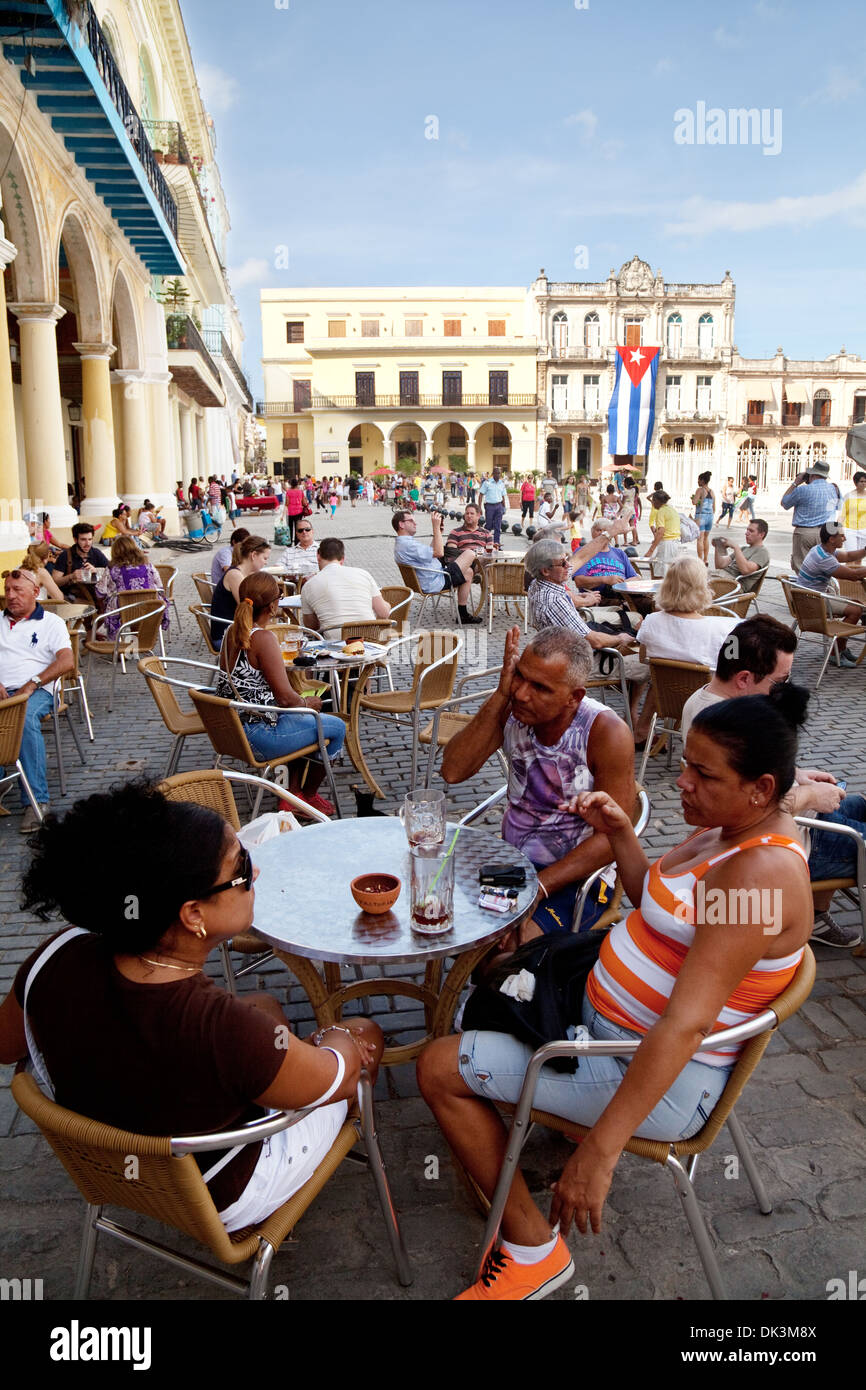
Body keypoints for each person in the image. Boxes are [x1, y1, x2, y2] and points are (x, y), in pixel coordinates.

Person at [421, 682, 813, 1299]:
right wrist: (623, 836)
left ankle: (532, 1250)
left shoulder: (758, 874)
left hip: (650, 1072)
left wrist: (602, 1153)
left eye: (702, 773)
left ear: (761, 788)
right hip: (604, 1029)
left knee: (438, 1067)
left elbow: (685, 1026)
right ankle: (546, 1124)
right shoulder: (725, 830)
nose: (682, 781)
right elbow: (656, 909)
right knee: (484, 1001)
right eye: (685, 763)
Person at [0, 781, 382, 1230]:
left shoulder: (54, 955)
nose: (255, 873)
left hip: (114, 1165)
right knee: (363, 1032)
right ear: (193, 915)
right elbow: (339, 1072)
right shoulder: (220, 1027)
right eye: (242, 865)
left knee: (263, 1005)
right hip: (221, 1190)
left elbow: (7, 1048)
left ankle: (282, 1074)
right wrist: (336, 1039)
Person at [679, 614, 863, 950]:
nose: (784, 691)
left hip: (798, 824)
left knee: (858, 803)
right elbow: (743, 814)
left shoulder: (708, 702)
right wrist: (809, 796)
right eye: (780, 682)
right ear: (745, 679)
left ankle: (818, 916)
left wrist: (797, 776)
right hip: (793, 842)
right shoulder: (726, 730)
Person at [442, 626, 636, 943]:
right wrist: (500, 694)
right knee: (459, 926)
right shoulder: (513, 709)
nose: (522, 693)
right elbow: (452, 771)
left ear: (574, 698)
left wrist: (540, 886)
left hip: (580, 876)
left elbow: (613, 836)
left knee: (510, 950)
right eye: (520, 676)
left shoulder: (605, 731)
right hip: (514, 866)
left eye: (540, 688)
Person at [217, 574, 346, 814]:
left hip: (233, 728)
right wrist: (308, 702)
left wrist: (300, 705)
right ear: (273, 605)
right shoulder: (263, 638)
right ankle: (307, 797)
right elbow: (286, 699)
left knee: (299, 720)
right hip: (259, 734)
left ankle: (290, 795)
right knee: (336, 727)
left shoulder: (230, 632)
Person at [524, 536, 651, 737]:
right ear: (545, 570)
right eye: (563, 563)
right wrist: (622, 638)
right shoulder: (554, 599)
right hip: (577, 665)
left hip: (563, 654)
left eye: (567, 560)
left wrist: (608, 534)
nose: (568, 565)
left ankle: (631, 716)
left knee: (630, 635)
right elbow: (595, 641)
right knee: (651, 665)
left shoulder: (538, 585)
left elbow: (581, 557)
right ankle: (640, 729)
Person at [0, 571, 73, 828]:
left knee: (25, 719)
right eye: (8, 589)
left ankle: (35, 800)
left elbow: (67, 660)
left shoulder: (51, 622)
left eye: (18, 590)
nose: (10, 595)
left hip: (38, 690)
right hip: (2, 691)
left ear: (35, 591)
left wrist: (32, 684)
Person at [639, 556, 738, 670]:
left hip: (663, 686)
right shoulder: (722, 631)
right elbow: (733, 668)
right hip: (704, 686)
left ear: (666, 586)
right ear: (703, 587)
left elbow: (643, 659)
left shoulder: (651, 621)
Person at [392, 510, 481, 625]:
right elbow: (439, 553)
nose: (415, 523)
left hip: (431, 578)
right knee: (469, 553)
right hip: (436, 581)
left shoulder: (404, 543)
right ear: (401, 524)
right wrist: (435, 527)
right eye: (411, 521)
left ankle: (463, 614)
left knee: (468, 572)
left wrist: (437, 533)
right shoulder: (408, 545)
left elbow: (429, 552)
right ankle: (479, 572)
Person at [794, 520, 866, 661]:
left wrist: (865, 550)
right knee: (856, 610)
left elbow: (849, 557)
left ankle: (842, 648)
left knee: (858, 605)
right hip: (811, 602)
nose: (844, 538)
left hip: (809, 597)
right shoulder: (824, 558)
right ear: (832, 539)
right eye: (842, 536)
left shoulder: (821, 549)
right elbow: (854, 576)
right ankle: (835, 653)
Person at [300, 538, 391, 639]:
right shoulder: (363, 574)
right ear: (342, 559)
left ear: (318, 556)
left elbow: (312, 627)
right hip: (370, 642)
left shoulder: (309, 585)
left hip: (336, 647)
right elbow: (384, 613)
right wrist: (387, 605)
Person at [95, 536, 167, 638]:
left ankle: (117, 643)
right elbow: (160, 586)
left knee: (110, 603)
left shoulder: (112, 569)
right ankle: (141, 641)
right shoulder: (148, 565)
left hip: (124, 611)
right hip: (150, 609)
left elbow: (100, 592)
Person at [210, 534, 271, 648]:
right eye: (265, 558)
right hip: (227, 635)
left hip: (236, 629)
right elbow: (248, 609)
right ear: (253, 555)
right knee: (270, 642)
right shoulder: (235, 575)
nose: (265, 562)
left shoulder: (245, 574)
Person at [780, 460, 841, 572]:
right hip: (824, 533)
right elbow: (836, 508)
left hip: (804, 533)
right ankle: (825, 589)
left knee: (802, 569)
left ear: (812, 475)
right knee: (823, 568)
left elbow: (784, 503)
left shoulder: (802, 489)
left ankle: (804, 589)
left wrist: (795, 483)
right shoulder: (834, 489)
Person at [48, 523, 109, 601]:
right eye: (83, 540)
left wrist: (96, 570)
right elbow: (55, 581)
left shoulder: (96, 553)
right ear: (75, 539)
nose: (88, 543)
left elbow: (111, 571)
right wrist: (71, 576)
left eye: (90, 539)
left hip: (95, 596)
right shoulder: (66, 555)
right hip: (72, 598)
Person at [710, 518, 770, 592]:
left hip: (733, 584)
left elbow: (746, 570)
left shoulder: (762, 552)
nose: (746, 533)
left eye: (751, 531)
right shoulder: (743, 549)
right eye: (747, 530)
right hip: (721, 577)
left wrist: (736, 547)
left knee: (696, 583)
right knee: (693, 575)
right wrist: (718, 547)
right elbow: (720, 565)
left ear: (761, 534)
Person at [645, 489, 682, 576]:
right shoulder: (672, 509)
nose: (652, 503)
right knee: (671, 573)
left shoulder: (661, 511)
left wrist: (651, 550)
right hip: (676, 543)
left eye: (653, 501)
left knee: (660, 574)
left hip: (667, 545)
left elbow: (661, 532)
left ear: (657, 501)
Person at [480, 468, 508, 547]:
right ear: (493, 473)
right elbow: (481, 494)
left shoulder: (501, 483)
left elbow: (503, 496)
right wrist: (479, 507)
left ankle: (496, 543)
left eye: (499, 473)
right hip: (489, 506)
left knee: (498, 526)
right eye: (496, 473)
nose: (498, 475)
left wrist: (504, 507)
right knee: (488, 525)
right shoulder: (487, 483)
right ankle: (486, 542)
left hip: (499, 506)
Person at [691, 471, 715, 565]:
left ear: (702, 480)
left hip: (701, 516)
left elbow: (694, 501)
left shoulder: (700, 490)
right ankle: (706, 559)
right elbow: (714, 508)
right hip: (710, 516)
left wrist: (696, 499)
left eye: (699, 480)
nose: (698, 482)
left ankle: (700, 560)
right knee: (706, 538)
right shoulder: (712, 492)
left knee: (700, 539)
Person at [840, 470, 866, 550]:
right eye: (861, 481)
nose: (864, 483)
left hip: (864, 530)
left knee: (859, 557)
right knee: (851, 556)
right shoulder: (848, 496)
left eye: (865, 481)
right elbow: (842, 515)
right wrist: (840, 531)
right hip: (850, 530)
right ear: (855, 482)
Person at [285, 477, 306, 544]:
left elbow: (287, 503)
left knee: (290, 527)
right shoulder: (300, 492)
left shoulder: (288, 492)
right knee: (298, 527)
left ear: (291, 484)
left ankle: (289, 542)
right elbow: (304, 502)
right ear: (297, 484)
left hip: (290, 512)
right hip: (299, 511)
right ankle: (297, 542)